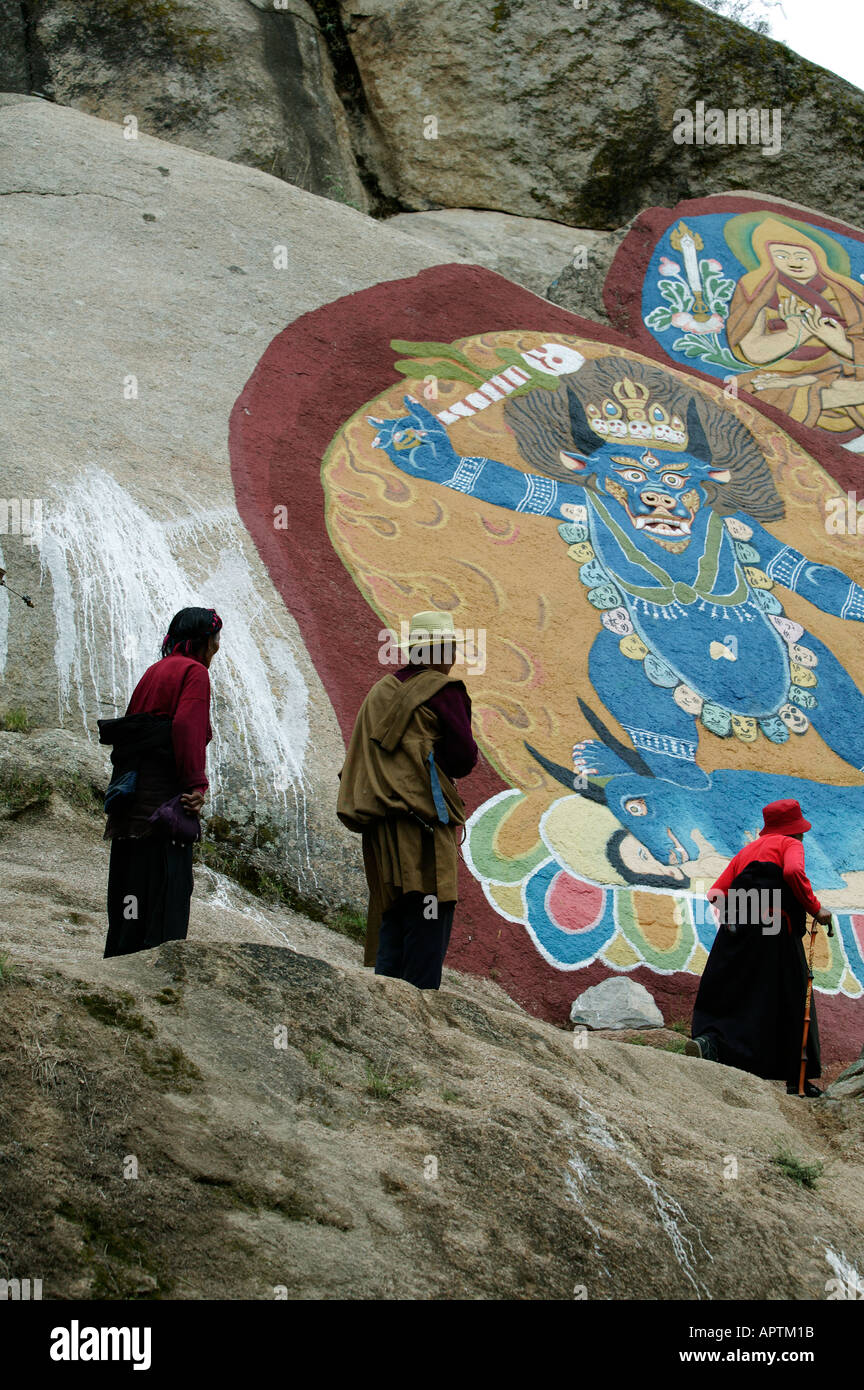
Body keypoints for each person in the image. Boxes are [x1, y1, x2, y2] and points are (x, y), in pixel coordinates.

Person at [337, 610, 478, 990]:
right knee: (431, 911)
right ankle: (418, 1008)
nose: (453, 658)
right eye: (450, 649)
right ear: (438, 650)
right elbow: (464, 759)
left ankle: (387, 1007)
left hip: (382, 827)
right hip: (424, 829)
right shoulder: (443, 692)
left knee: (394, 914)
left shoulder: (379, 691)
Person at [686, 798, 833, 1097]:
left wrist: (742, 917)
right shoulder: (790, 845)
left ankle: (711, 1044)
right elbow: (793, 873)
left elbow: (716, 893)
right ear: (796, 830)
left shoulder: (747, 851)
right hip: (776, 929)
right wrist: (817, 909)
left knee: (735, 995)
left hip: (735, 934)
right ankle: (798, 1079)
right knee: (792, 996)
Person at [99, 607, 222, 958]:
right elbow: (187, 728)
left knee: (130, 893)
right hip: (163, 808)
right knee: (166, 892)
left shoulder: (154, 671)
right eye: (215, 641)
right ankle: (152, 975)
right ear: (203, 642)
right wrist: (196, 786)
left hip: (131, 804)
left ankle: (121, 953)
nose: (217, 649)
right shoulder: (194, 672)